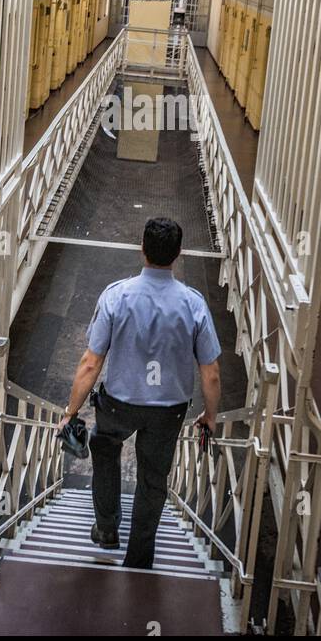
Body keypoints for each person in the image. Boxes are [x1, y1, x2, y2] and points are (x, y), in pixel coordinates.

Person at [57, 217, 222, 570]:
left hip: (118, 404)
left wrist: (71, 411)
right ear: (178, 255)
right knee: (153, 477)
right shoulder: (194, 305)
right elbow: (211, 373)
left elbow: (91, 362)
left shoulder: (117, 296)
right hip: (170, 411)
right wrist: (210, 416)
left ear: (142, 248)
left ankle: (106, 529)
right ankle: (139, 556)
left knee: (105, 453)